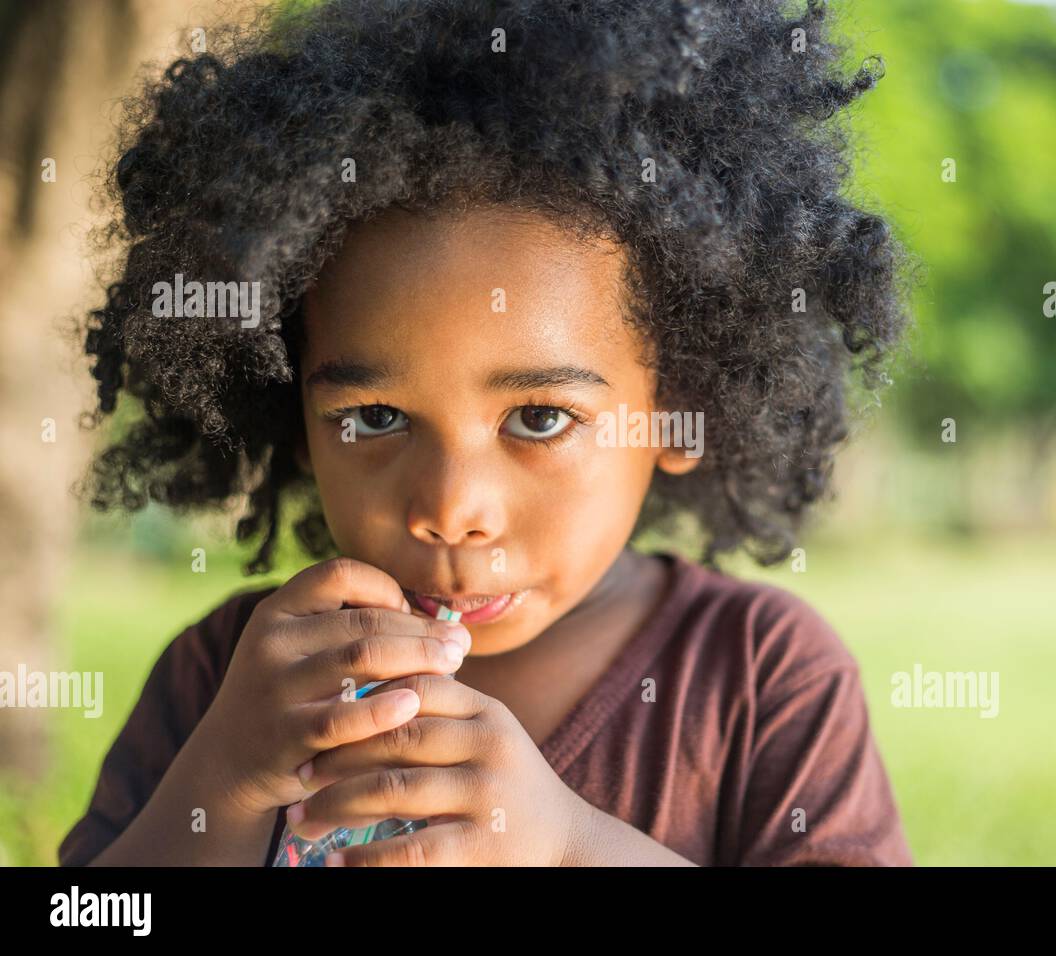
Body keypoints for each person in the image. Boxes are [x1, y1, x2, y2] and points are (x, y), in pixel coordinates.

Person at [61, 0, 912, 866]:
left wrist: (572, 847)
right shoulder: (232, 678)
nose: (449, 508)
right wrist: (225, 781)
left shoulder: (764, 675)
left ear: (680, 402)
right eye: (376, 418)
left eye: (539, 418)